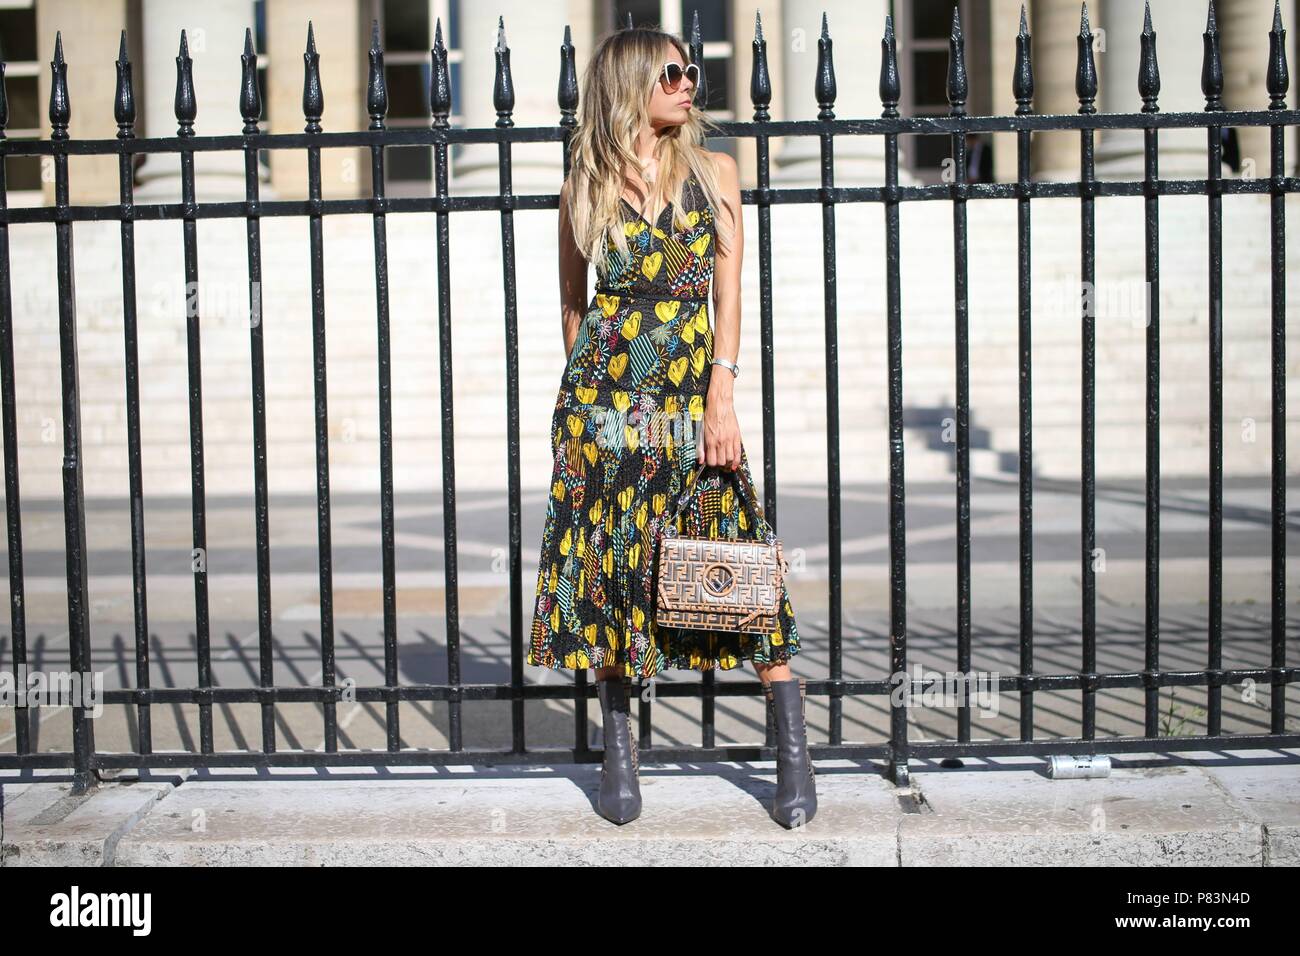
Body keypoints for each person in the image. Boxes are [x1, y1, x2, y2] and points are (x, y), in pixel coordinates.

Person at [527, 25, 815, 829]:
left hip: (692, 395)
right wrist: (587, 399)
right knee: (617, 570)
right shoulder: (583, 185)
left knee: (735, 557)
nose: (691, 83)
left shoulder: (715, 172)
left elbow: (728, 298)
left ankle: (792, 750)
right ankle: (621, 757)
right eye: (673, 72)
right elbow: (573, 304)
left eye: (692, 71)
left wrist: (721, 395)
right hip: (606, 407)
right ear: (628, 84)